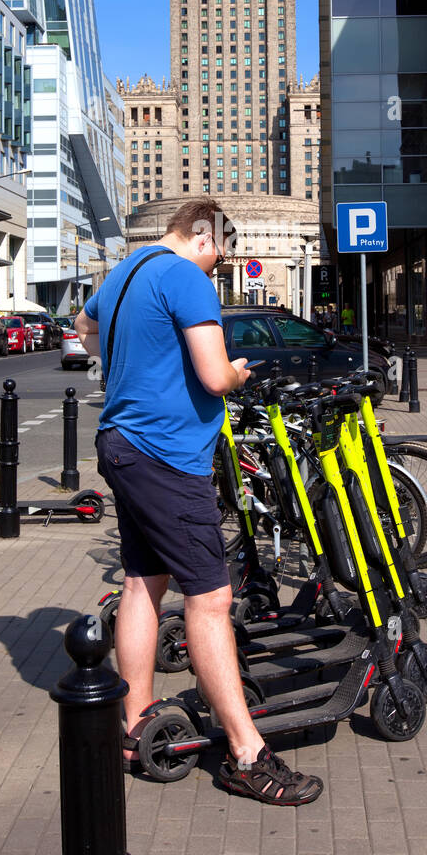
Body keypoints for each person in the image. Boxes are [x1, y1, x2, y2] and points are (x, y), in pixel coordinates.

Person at [75, 199, 323, 806]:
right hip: (166, 456)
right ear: (203, 238)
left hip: (121, 444)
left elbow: (83, 333)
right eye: (221, 255)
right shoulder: (185, 276)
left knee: (141, 583)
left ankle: (134, 723)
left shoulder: (123, 274)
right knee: (210, 599)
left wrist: (139, 366)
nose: (219, 268)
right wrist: (237, 372)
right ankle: (246, 752)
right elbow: (214, 377)